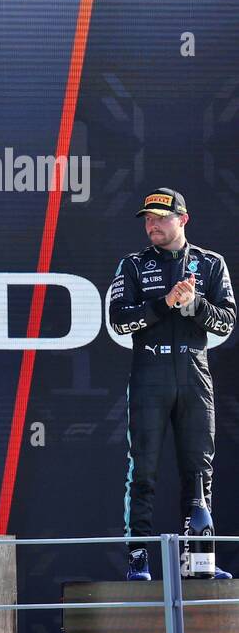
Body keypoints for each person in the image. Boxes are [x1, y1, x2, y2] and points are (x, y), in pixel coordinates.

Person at [110, 188, 235, 581]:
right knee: (143, 471)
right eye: (147, 219)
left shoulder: (211, 264)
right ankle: (138, 559)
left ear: (183, 219)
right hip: (150, 374)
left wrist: (193, 305)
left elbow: (227, 322)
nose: (152, 226)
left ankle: (197, 559)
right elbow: (118, 320)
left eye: (160, 219)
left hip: (195, 374)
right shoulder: (131, 265)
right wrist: (164, 304)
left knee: (199, 472)